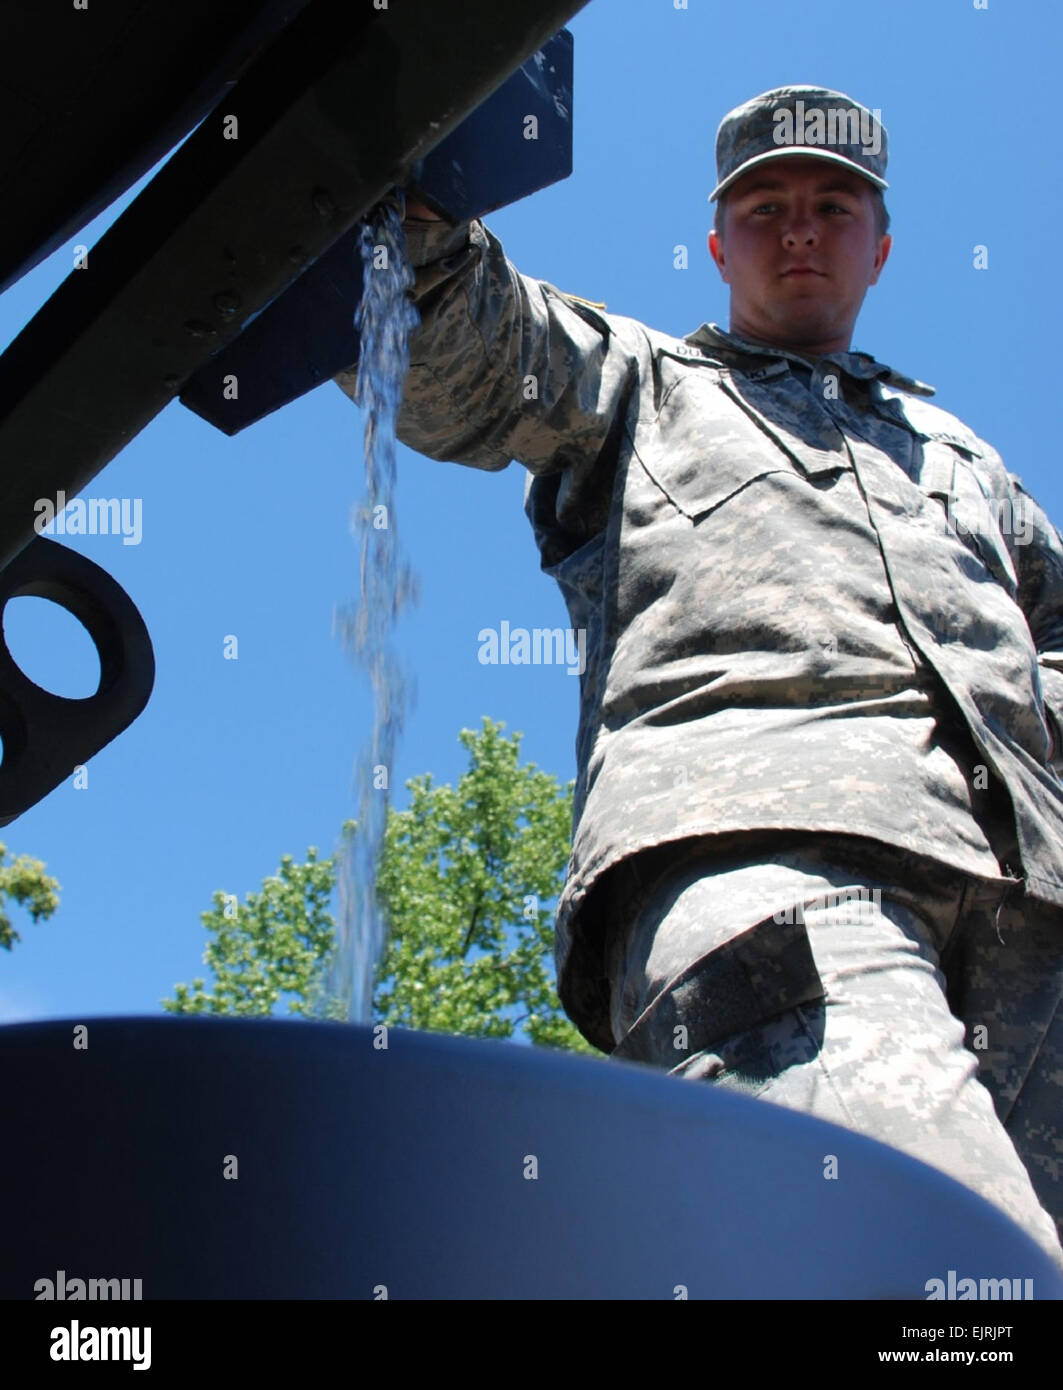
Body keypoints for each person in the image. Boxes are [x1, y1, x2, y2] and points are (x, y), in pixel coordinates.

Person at [334, 85, 1063, 1271]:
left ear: (881, 245)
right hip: (777, 867)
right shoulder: (640, 387)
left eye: (833, 206)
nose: (798, 229)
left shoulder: (964, 460)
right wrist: (405, 196)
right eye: (763, 206)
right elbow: (462, 346)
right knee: (929, 1256)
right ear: (718, 243)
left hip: (1031, 919)